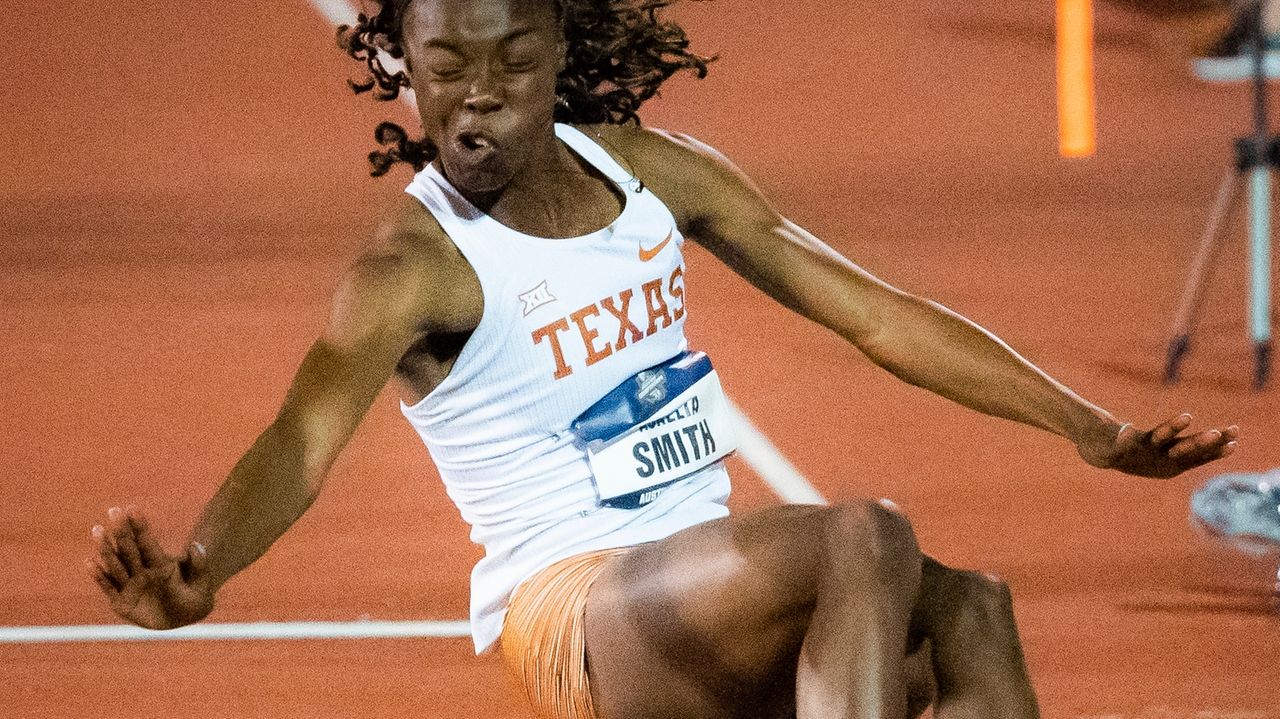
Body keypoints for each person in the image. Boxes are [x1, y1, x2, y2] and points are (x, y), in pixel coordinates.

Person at [87, 1, 1240, 717]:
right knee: (860, 530)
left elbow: (876, 314)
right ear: (406, 67)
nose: (476, 93)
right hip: (578, 618)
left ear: (558, 52)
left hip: (705, 592)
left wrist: (1086, 428)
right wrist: (199, 572)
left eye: (511, 59)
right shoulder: (414, 265)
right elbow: (301, 435)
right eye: (444, 66)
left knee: (972, 610)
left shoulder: (653, 174)